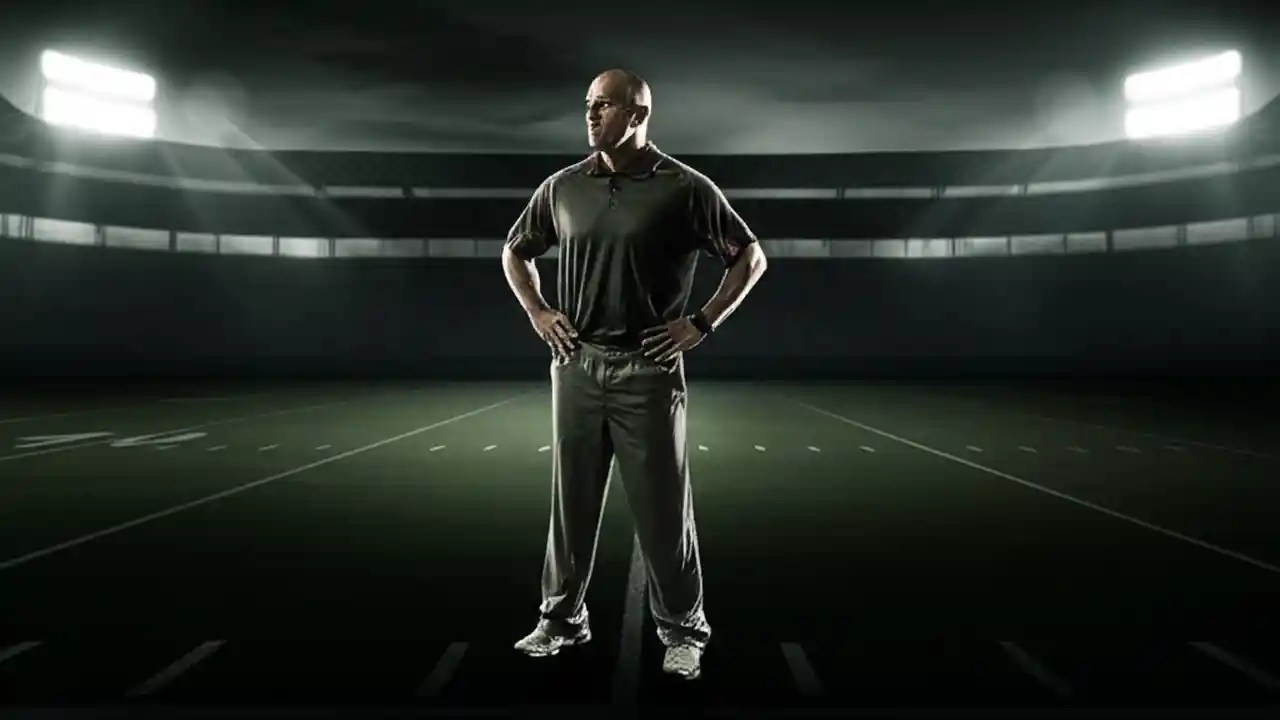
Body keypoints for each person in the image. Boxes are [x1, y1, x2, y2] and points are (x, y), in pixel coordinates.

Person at [501, 68, 768, 681]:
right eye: (588, 105)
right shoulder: (562, 187)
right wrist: (539, 311)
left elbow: (749, 256)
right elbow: (515, 250)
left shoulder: (683, 187)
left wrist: (700, 323)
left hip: (647, 368)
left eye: (604, 106)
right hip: (575, 364)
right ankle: (562, 620)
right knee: (571, 503)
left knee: (663, 509)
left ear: (637, 113)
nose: (591, 115)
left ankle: (683, 632)